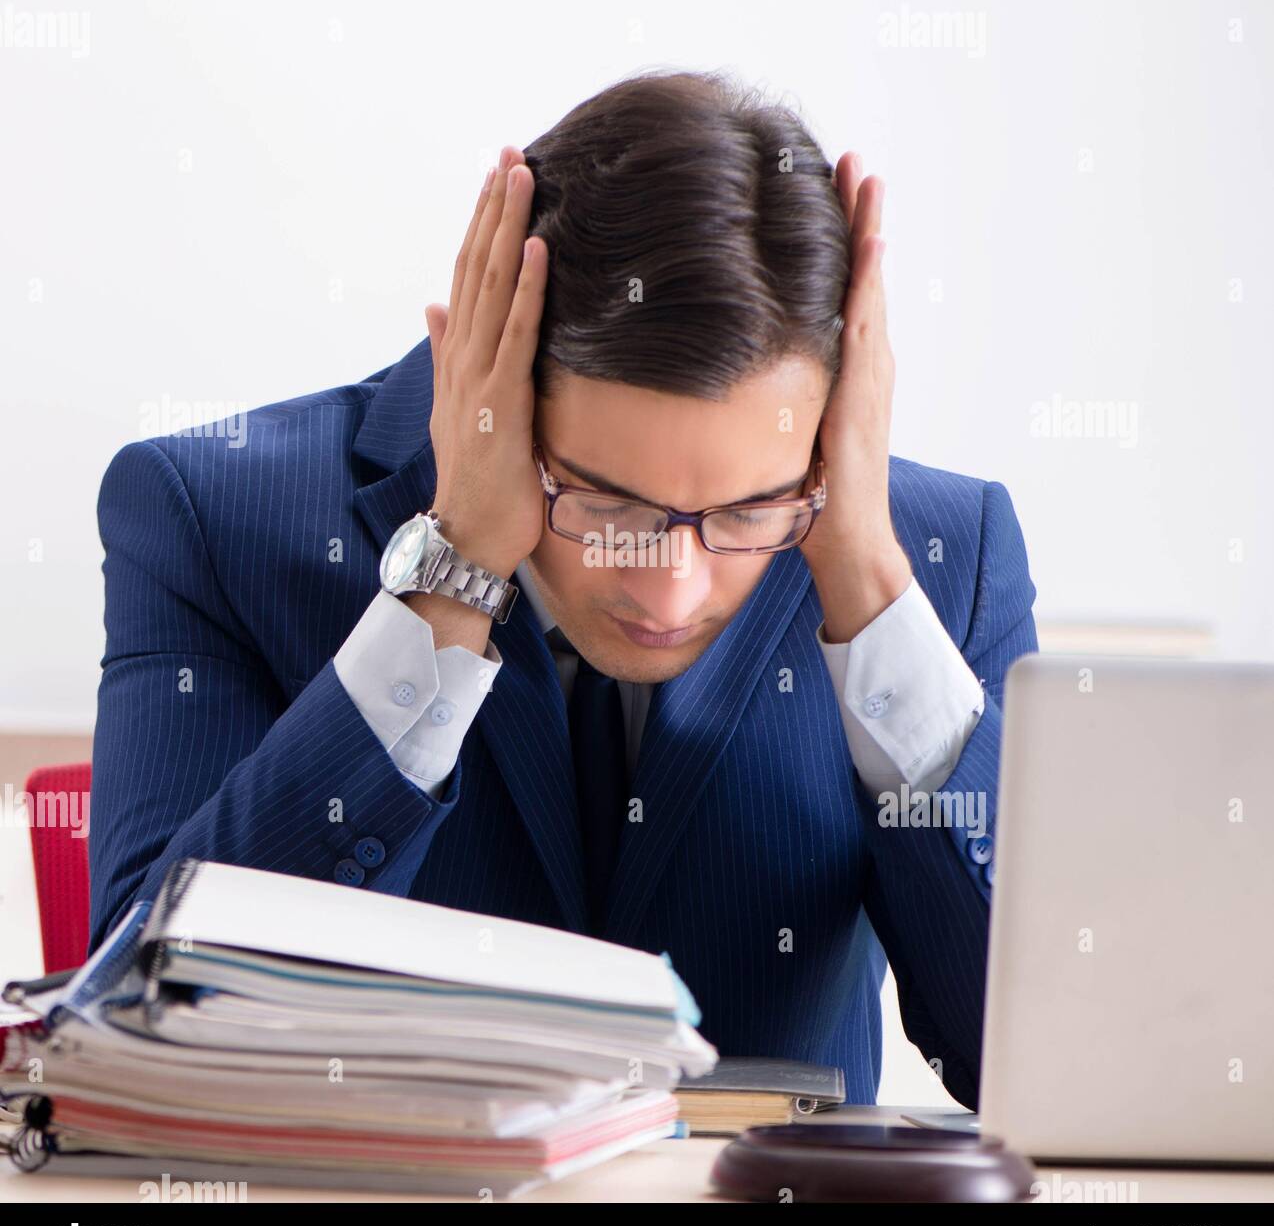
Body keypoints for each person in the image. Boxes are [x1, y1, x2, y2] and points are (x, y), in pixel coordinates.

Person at [89, 71, 1036, 1108]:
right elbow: (136, 1027)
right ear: (493, 376)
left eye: (745, 511)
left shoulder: (942, 559)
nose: (671, 592)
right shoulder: (209, 517)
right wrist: (450, 576)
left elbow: (1035, 1068)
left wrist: (861, 581)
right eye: (606, 503)